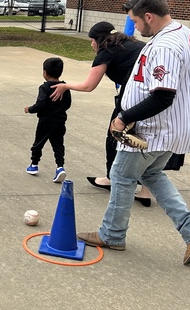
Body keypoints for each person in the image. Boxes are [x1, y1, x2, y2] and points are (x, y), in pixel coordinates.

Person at [77, 0, 190, 265]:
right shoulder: (182, 31)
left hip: (153, 130)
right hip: (170, 129)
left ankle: (112, 234)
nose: (135, 28)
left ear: (148, 16)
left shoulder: (163, 45)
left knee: (122, 175)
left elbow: (163, 95)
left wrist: (123, 117)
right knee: (151, 175)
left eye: (136, 22)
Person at [50, 21, 151, 206]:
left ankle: (113, 179)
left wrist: (66, 86)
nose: (91, 44)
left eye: (92, 40)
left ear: (99, 39)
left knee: (116, 136)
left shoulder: (107, 51)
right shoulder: (132, 43)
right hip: (155, 96)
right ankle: (145, 190)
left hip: (134, 97)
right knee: (148, 140)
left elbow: (89, 86)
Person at [24, 57, 71, 183]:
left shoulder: (44, 88)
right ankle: (60, 167)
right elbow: (68, 104)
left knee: (38, 143)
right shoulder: (65, 87)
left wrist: (30, 109)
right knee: (58, 145)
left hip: (45, 122)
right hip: (60, 122)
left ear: (45, 72)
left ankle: (34, 165)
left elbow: (41, 104)